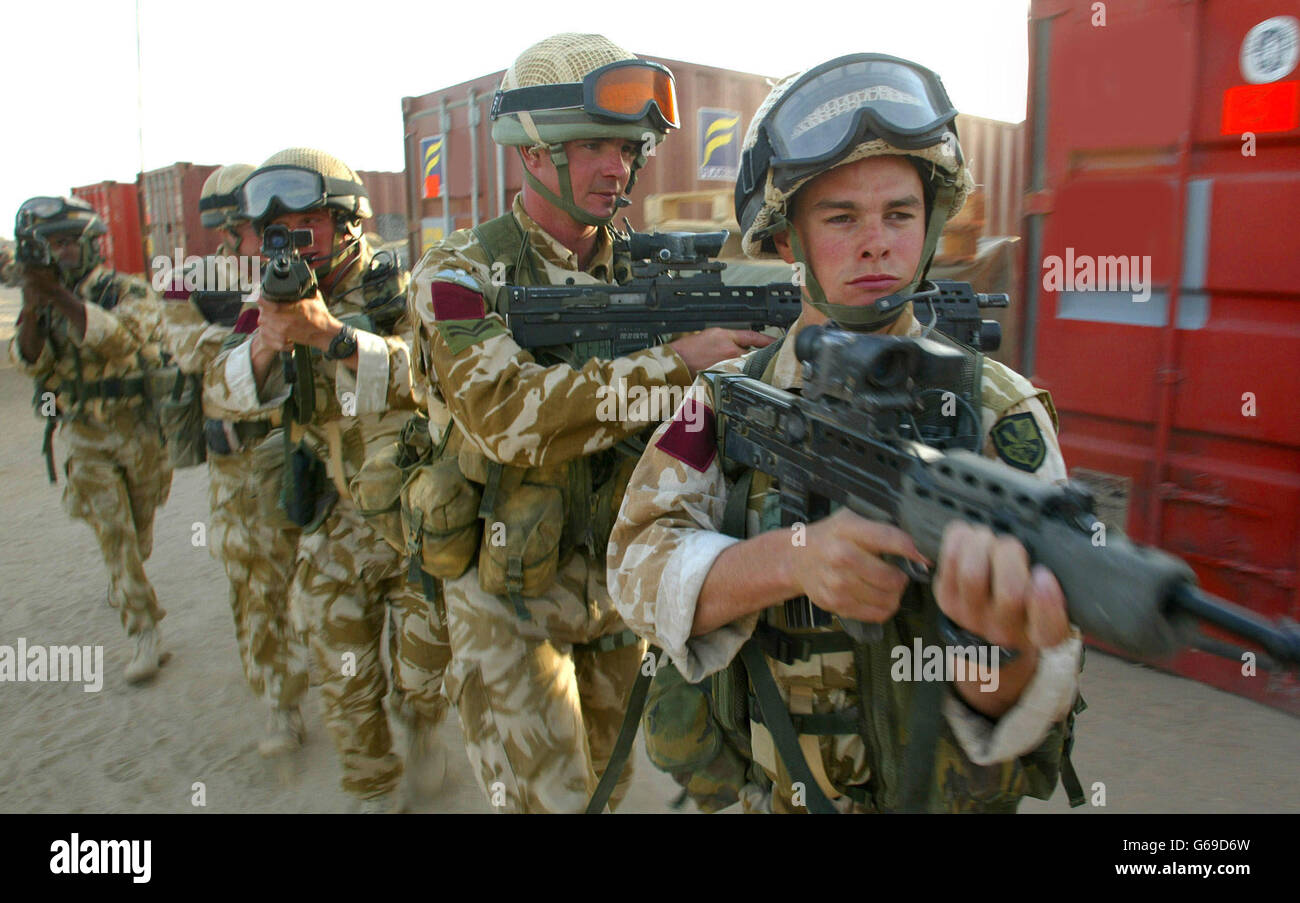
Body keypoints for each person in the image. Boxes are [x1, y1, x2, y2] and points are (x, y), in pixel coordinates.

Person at [607, 53, 1084, 813]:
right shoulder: (726, 401)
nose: (875, 242)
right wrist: (790, 561)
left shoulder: (1001, 408)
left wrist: (997, 653)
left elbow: (1034, 684)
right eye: (840, 218)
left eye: (899, 214)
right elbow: (634, 563)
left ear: (928, 228)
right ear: (788, 242)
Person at [406, 32, 771, 813]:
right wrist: (677, 361)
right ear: (534, 153)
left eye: (627, 147)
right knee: (552, 802)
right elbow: (506, 415)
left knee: (606, 785)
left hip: (613, 587)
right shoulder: (456, 277)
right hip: (503, 593)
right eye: (594, 146)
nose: (619, 166)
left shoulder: (651, 271)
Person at [203, 148, 450, 811]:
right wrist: (265, 342)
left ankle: (422, 725)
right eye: (274, 233)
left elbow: (436, 377)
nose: (288, 245)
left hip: (416, 518)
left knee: (427, 671)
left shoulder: (405, 286)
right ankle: (372, 785)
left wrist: (334, 337)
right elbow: (221, 391)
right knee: (344, 680)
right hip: (332, 523)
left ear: (345, 223)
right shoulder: (271, 300)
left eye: (304, 228)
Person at [158, 163, 313, 756]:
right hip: (242, 463)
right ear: (230, 228)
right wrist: (263, 318)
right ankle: (280, 698)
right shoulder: (188, 284)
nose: (275, 236)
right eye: (261, 226)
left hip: (308, 443)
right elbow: (192, 353)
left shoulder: (311, 267)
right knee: (255, 584)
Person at [9, 196, 173, 683]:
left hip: (138, 431)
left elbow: (121, 339)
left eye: (63, 244)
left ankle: (125, 576)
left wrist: (58, 298)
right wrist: (34, 307)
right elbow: (30, 361)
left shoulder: (128, 290)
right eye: (48, 246)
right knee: (114, 533)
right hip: (83, 434)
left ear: (87, 246)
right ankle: (145, 632)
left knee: (139, 531)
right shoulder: (42, 297)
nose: (57, 255)